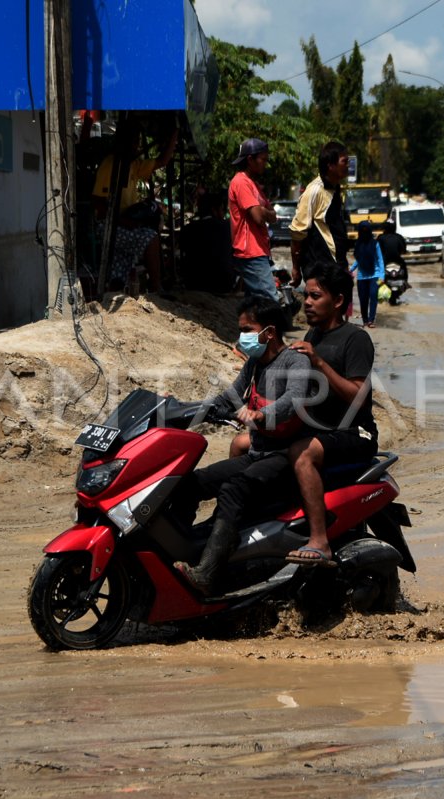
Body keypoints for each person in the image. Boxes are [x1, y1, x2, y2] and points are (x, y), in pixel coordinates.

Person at [172, 296, 312, 593]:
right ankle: (183, 552)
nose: (242, 337)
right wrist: (182, 413)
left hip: (285, 456)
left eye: (248, 330)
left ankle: (207, 575)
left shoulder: (295, 360)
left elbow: (294, 399)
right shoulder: (254, 364)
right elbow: (230, 397)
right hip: (258, 452)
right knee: (190, 484)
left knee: (233, 490)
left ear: (269, 333)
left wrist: (261, 414)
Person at [284, 259, 378, 567]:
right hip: (321, 428)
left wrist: (318, 362)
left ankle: (319, 541)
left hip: (353, 433)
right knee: (244, 444)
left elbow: (358, 398)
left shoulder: (356, 339)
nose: (307, 302)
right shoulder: (314, 336)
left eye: (315, 296)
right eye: (306, 295)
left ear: (338, 301)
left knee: (302, 453)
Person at [92, 124, 178, 294]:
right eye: (133, 142)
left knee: (120, 272)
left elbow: (162, 161)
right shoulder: (110, 164)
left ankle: (114, 294)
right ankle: (156, 287)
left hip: (124, 224)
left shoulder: (133, 165)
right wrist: (122, 221)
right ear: (123, 142)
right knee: (150, 237)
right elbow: (98, 202)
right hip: (108, 226)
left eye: (137, 142)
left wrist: (174, 133)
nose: (136, 146)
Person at [290, 141, 351, 285]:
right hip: (321, 271)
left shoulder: (336, 189)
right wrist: (295, 268)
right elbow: (297, 233)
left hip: (337, 267)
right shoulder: (313, 191)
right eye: (344, 162)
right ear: (330, 165)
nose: (348, 166)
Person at [228, 138, 278, 299]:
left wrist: (265, 211)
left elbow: (273, 216)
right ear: (250, 159)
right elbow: (258, 216)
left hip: (258, 250)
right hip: (250, 251)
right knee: (270, 299)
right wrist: (264, 211)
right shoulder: (241, 183)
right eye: (263, 159)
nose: (265, 164)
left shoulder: (253, 184)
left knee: (256, 304)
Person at [179, 191, 236, 293]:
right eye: (222, 210)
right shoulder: (228, 227)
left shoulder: (188, 229)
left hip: (194, 282)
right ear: (214, 210)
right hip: (222, 283)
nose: (223, 214)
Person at [352, 221, 383, 328]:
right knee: (363, 299)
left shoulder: (375, 244)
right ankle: (365, 320)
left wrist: (382, 276)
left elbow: (380, 260)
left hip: (375, 275)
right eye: (362, 230)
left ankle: (371, 320)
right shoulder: (358, 244)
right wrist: (351, 269)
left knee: (373, 296)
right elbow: (359, 260)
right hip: (361, 276)